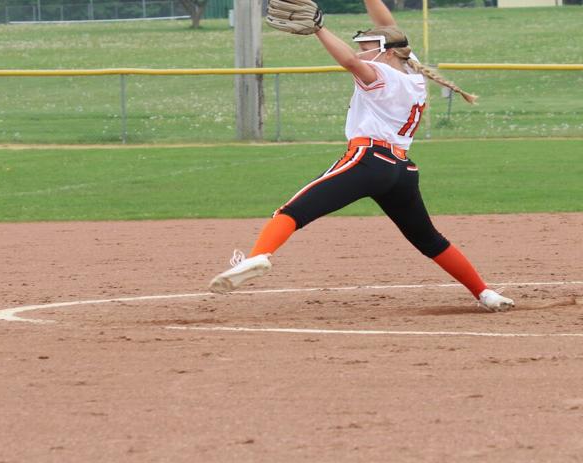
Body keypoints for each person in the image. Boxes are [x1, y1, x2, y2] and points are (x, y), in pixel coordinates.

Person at [209, 0, 515, 312]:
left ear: (388, 51)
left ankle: (259, 256)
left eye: (367, 46)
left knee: (291, 211)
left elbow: (350, 63)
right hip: (401, 171)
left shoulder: (381, 73)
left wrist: (320, 30)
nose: (361, 51)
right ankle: (485, 293)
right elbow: (386, 23)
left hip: (368, 160)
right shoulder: (411, 71)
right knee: (429, 240)